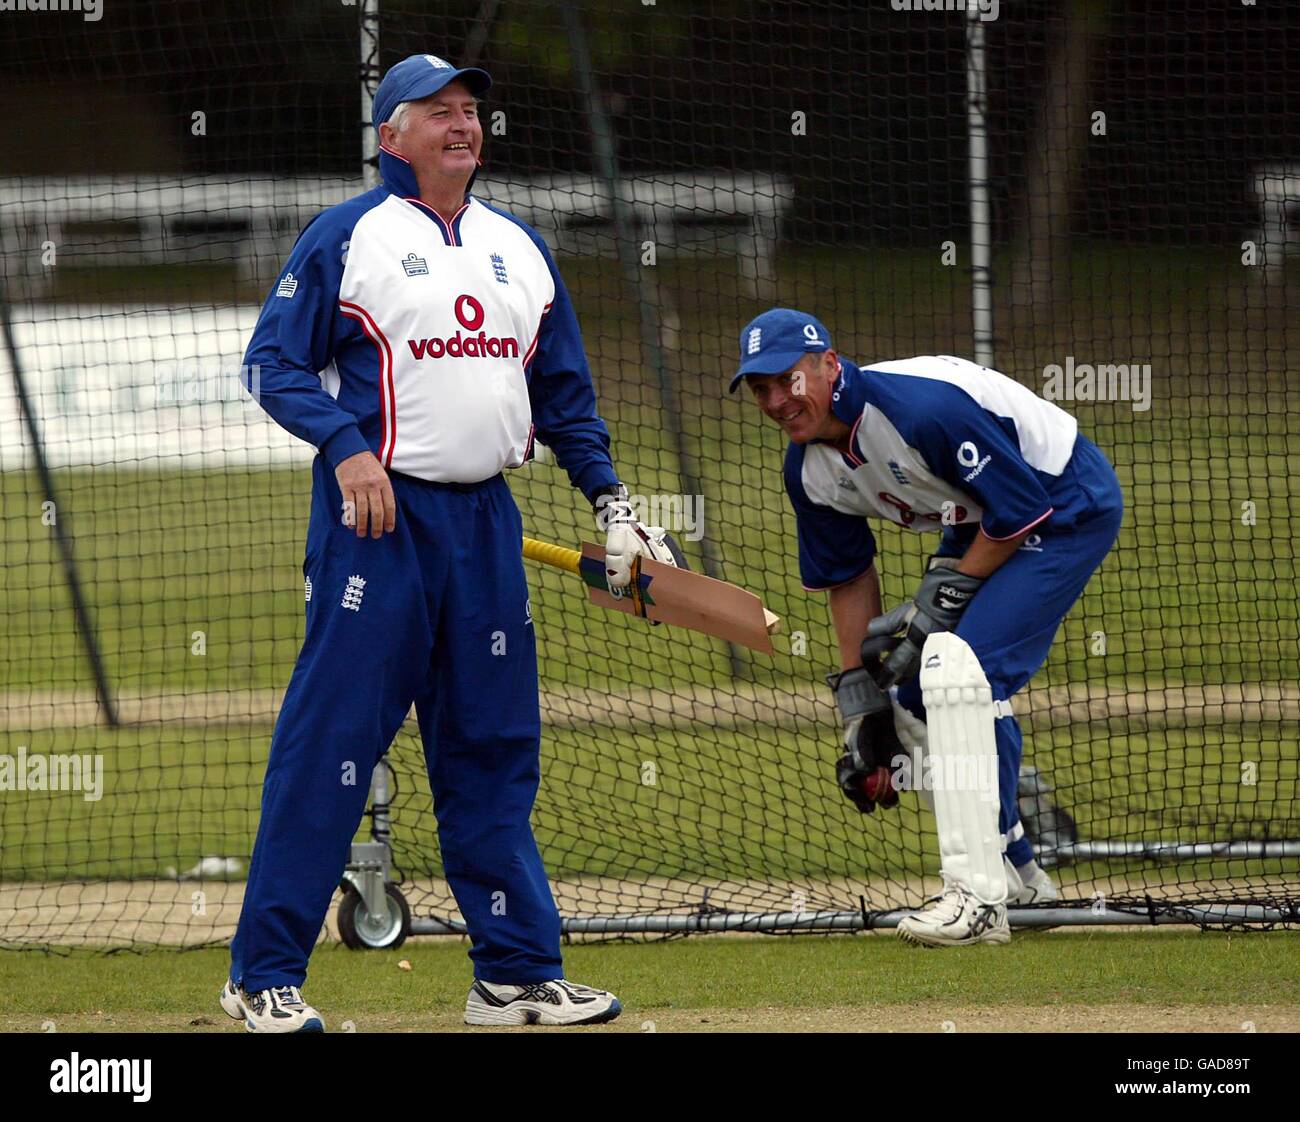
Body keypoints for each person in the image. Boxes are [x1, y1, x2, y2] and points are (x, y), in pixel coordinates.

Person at [221, 52, 673, 1031]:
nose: (461, 123)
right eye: (437, 110)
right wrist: (345, 448)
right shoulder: (349, 237)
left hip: (485, 529)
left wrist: (612, 504)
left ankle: (511, 974)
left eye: (471, 110)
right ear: (393, 135)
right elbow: (269, 364)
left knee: (492, 751)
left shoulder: (520, 247)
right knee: (331, 750)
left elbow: (565, 399)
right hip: (377, 528)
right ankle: (261, 977)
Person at [731, 308, 1123, 946]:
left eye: (787, 380)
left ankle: (980, 899)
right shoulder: (806, 471)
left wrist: (940, 600)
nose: (777, 400)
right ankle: (1021, 881)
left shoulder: (916, 413)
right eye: (760, 388)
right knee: (911, 691)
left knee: (963, 671)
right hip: (980, 515)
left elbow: (1023, 509)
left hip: (1063, 501)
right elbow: (849, 578)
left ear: (829, 365)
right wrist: (864, 706)